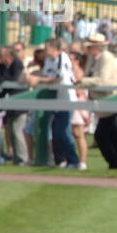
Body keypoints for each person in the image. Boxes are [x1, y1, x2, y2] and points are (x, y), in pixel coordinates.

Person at [34, 37, 82, 168]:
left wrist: (38, 80)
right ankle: (61, 160)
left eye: (47, 47)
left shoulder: (63, 57)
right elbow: (46, 76)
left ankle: (74, 160)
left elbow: (59, 78)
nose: (45, 49)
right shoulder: (48, 60)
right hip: (56, 99)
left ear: (54, 48)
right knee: (56, 132)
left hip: (67, 100)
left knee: (62, 132)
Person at [79, 33, 117, 168]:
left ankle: (115, 162)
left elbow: (103, 80)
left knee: (101, 135)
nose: (87, 50)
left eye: (90, 47)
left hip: (110, 101)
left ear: (95, 47)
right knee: (113, 135)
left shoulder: (106, 58)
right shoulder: (93, 59)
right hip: (103, 102)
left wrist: (82, 82)